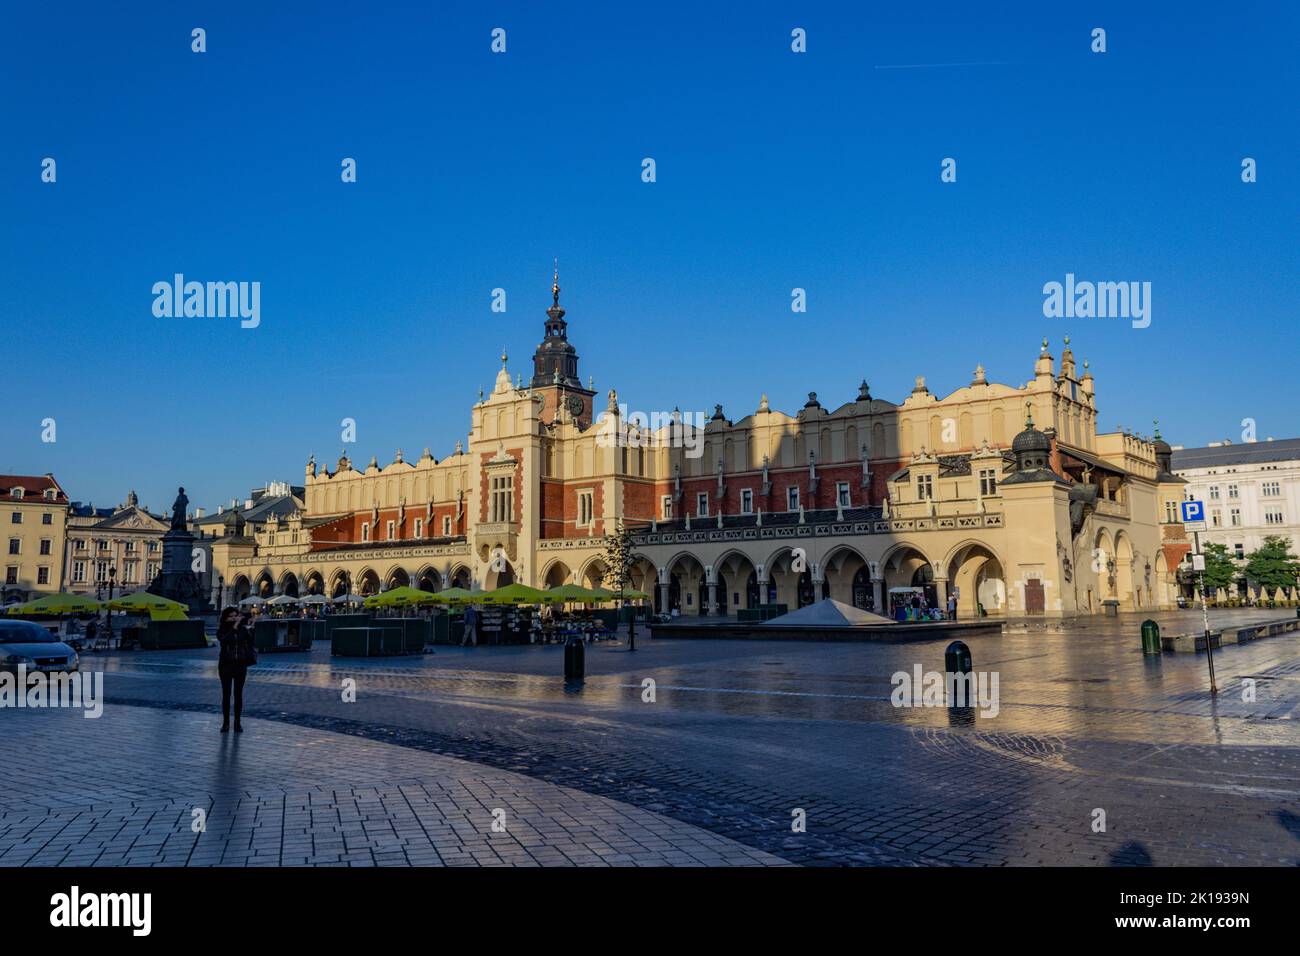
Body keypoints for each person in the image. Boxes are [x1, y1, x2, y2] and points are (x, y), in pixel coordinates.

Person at [216, 607, 257, 732]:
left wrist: (252, 629)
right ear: (225, 617)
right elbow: (224, 641)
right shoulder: (221, 630)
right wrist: (234, 627)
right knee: (226, 694)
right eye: (231, 616)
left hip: (240, 665)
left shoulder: (242, 629)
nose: (234, 618)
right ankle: (226, 723)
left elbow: (250, 643)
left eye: (235, 615)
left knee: (238, 695)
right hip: (225, 665)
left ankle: (237, 723)